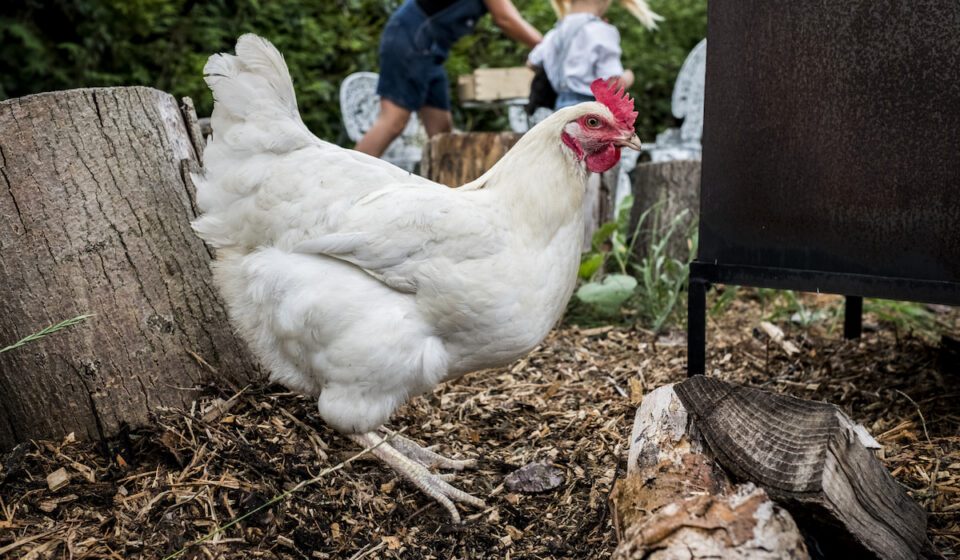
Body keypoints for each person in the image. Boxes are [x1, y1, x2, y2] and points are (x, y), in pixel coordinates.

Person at [355, 0, 543, 157]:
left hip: (432, 50)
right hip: (410, 39)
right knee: (394, 122)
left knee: (442, 134)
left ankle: (443, 195)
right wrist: (547, 48)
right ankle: (343, 182)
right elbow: (505, 18)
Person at [527, 0, 661, 110]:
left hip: (559, 110)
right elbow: (612, 83)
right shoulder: (601, 31)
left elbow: (531, 62)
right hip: (589, 111)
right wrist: (628, 77)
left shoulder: (556, 32)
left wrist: (557, 71)